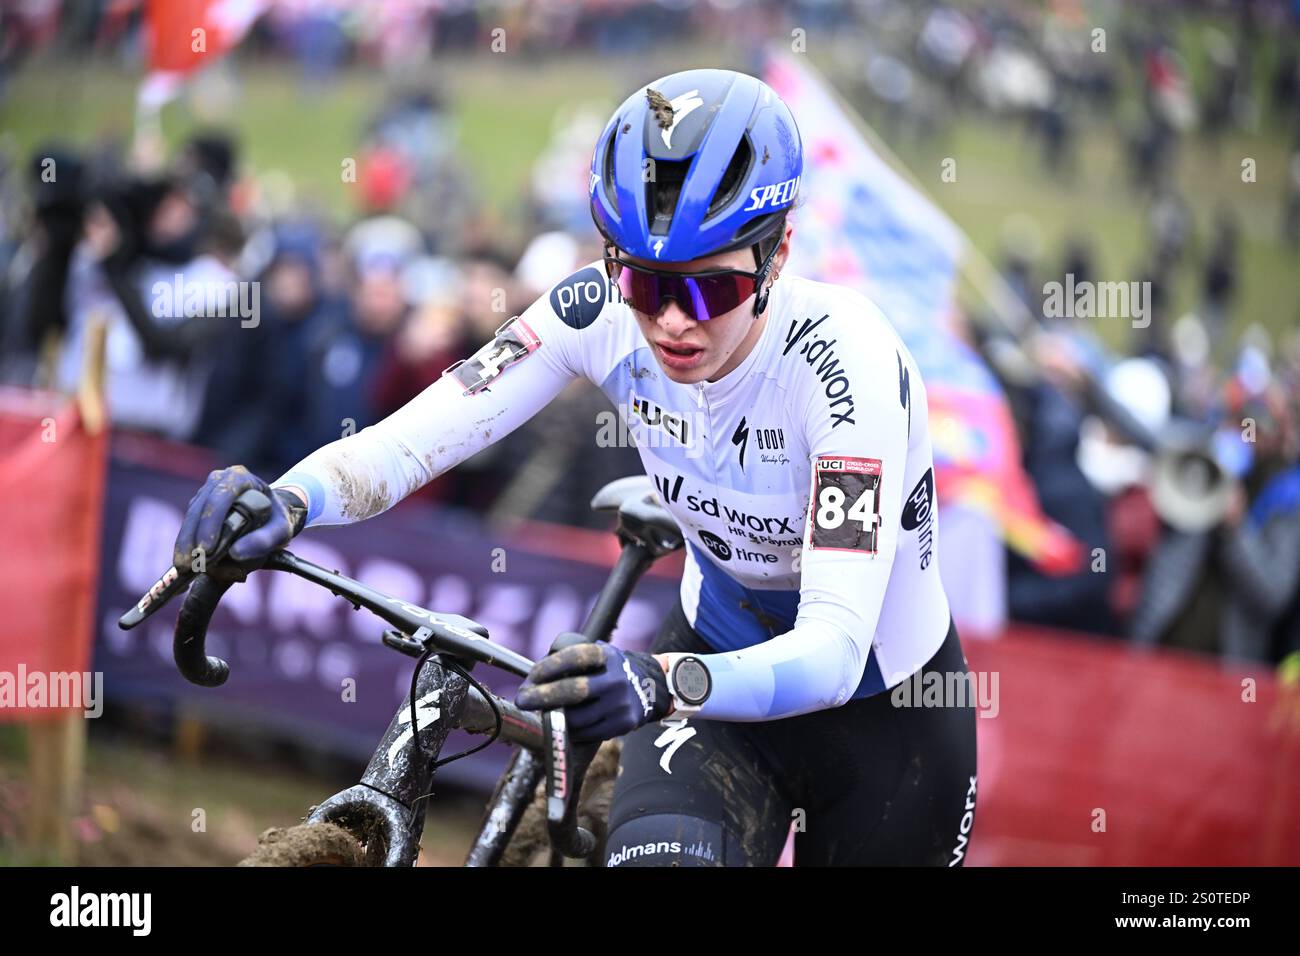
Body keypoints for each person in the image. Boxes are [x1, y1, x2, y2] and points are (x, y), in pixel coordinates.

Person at [172, 70, 977, 866]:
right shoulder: (593, 313)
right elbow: (415, 438)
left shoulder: (847, 366)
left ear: (780, 254)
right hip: (716, 685)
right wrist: (291, 494)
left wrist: (660, 681)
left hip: (887, 722)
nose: (668, 321)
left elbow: (835, 650)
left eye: (710, 290)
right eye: (642, 280)